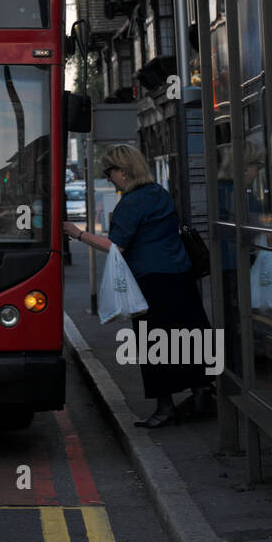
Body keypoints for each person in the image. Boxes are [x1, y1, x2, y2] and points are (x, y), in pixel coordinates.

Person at [63, 144, 213, 428]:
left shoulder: (130, 204)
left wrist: (78, 234)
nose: (108, 178)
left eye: (109, 171)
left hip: (151, 281)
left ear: (123, 170)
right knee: (188, 337)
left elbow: (116, 246)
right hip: (180, 276)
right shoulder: (159, 193)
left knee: (153, 344)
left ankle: (165, 408)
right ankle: (202, 393)